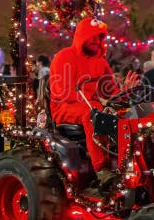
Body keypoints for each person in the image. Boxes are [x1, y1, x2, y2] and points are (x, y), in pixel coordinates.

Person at [50, 17, 130, 184]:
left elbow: (111, 92)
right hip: (66, 107)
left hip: (94, 107)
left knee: (129, 115)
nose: (96, 41)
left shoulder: (100, 62)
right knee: (93, 114)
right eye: (92, 36)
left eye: (100, 37)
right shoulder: (64, 57)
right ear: (82, 36)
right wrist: (98, 103)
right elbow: (63, 93)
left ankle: (128, 163)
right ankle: (103, 170)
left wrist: (125, 92)